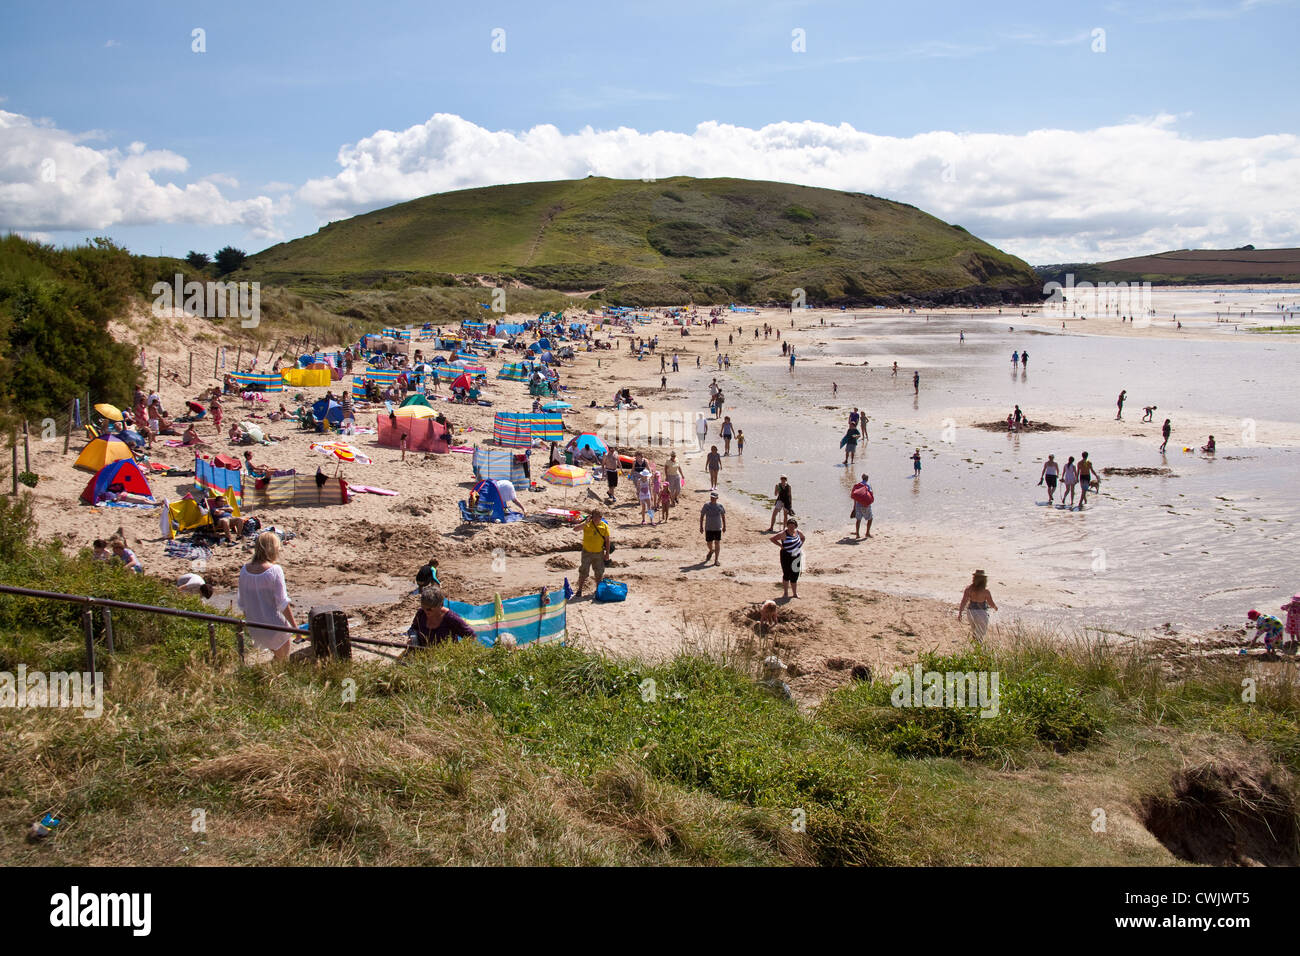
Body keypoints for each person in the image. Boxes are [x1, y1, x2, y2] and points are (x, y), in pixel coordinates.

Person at [237, 531, 297, 661]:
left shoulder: (244, 570)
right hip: (274, 626)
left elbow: (242, 602)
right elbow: (282, 603)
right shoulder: (274, 570)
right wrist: (295, 628)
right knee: (283, 660)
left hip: (255, 626)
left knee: (277, 657)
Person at [406, 587, 476, 649]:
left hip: (446, 657)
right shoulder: (421, 614)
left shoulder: (451, 618)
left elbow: (471, 636)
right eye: (424, 607)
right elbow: (413, 628)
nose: (426, 611)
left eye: (430, 609)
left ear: (440, 605)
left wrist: (459, 650)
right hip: (423, 653)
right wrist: (413, 636)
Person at [575, 509, 611, 598]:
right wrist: (585, 523)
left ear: (601, 518)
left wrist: (607, 554)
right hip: (586, 552)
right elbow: (575, 529)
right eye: (594, 517)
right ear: (591, 517)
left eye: (597, 517)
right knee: (583, 572)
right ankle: (579, 589)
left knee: (599, 572)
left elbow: (607, 541)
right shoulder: (587, 525)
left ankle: (598, 590)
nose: (595, 519)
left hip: (598, 553)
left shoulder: (604, 526)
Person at [958, 570, 998, 641]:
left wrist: (960, 613)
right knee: (980, 633)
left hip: (970, 612)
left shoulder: (969, 589)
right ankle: (978, 647)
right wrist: (995, 607)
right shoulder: (986, 591)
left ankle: (975, 647)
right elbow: (991, 603)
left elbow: (964, 601)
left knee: (974, 630)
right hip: (981, 613)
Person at [770, 518, 805, 599]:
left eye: (793, 526)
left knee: (795, 575)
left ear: (795, 526)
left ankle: (795, 593)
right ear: (787, 526)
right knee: (786, 574)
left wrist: (800, 545)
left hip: (796, 556)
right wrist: (781, 546)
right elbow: (772, 539)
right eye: (789, 526)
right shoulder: (783, 534)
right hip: (786, 555)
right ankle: (785, 593)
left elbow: (803, 538)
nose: (791, 527)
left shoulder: (798, 532)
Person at [700, 491, 726, 566]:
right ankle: (711, 550)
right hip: (708, 528)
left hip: (718, 527)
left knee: (717, 542)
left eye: (714, 498)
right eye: (711, 497)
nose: (712, 499)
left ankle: (716, 560)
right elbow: (702, 516)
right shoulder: (706, 505)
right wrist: (701, 526)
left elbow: (723, 516)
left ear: (717, 498)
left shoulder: (720, 506)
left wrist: (724, 526)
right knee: (709, 543)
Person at [851, 473, 874, 538]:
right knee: (870, 519)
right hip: (865, 505)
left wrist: (854, 507)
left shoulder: (857, 485)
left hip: (858, 504)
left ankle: (857, 534)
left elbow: (855, 497)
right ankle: (867, 533)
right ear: (867, 479)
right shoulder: (868, 485)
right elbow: (871, 495)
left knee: (858, 519)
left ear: (862, 478)